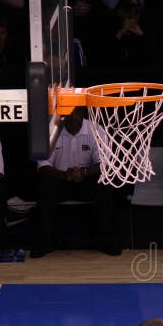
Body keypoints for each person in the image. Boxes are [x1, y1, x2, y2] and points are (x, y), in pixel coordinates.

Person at [31, 107, 121, 258]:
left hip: (86, 180)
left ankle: (105, 240)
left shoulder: (96, 129)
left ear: (82, 113)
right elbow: (43, 165)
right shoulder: (51, 129)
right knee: (44, 184)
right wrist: (66, 175)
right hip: (60, 179)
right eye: (69, 113)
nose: (73, 117)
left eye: (76, 113)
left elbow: (104, 164)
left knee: (105, 184)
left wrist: (84, 172)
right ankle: (44, 242)